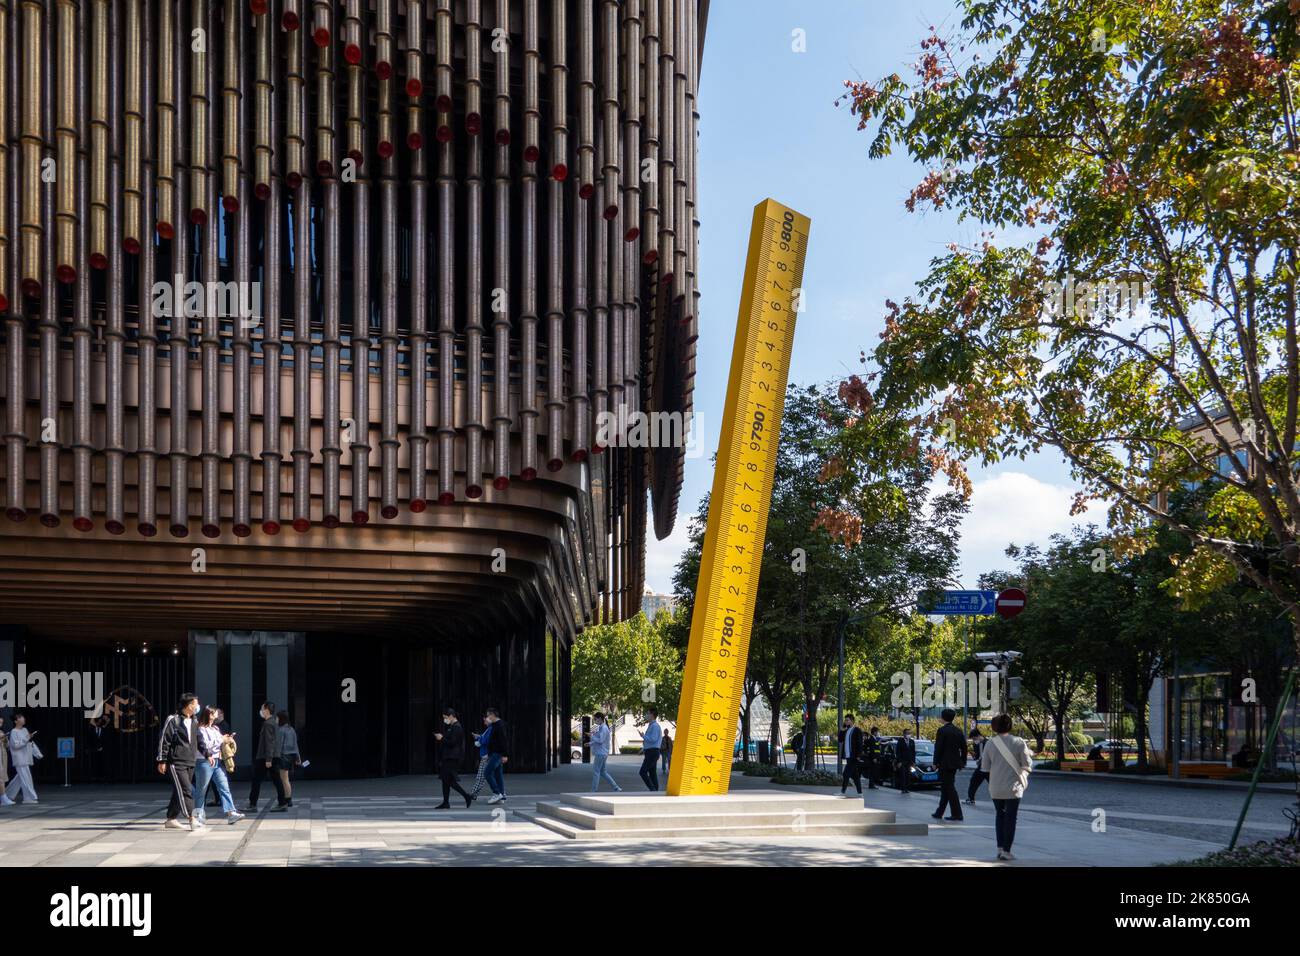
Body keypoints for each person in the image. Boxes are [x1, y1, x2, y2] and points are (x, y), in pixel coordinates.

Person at [981, 713, 1033, 861]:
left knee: (999, 816)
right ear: (1010, 725)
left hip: (996, 787)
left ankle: (999, 848)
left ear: (994, 726)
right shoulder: (1018, 741)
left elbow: (985, 767)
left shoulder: (990, 743)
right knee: (1011, 818)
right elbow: (1027, 764)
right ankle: (1007, 850)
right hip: (1013, 786)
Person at [193, 706, 244, 825]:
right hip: (204, 761)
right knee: (202, 789)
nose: (217, 714)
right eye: (215, 712)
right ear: (210, 714)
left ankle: (231, 813)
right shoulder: (200, 729)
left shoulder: (215, 728)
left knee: (224, 787)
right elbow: (204, 745)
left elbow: (219, 742)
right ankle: (198, 815)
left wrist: (227, 739)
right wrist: (221, 739)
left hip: (217, 761)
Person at [156, 694, 200, 829]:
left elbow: (199, 741)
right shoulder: (173, 720)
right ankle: (192, 817)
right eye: (195, 704)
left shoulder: (195, 721)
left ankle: (171, 818)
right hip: (176, 761)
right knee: (186, 789)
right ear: (187, 705)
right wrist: (162, 760)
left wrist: (207, 754)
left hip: (191, 761)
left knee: (179, 790)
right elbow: (165, 740)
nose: (197, 706)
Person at [247, 701, 284, 811]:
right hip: (273, 756)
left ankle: (253, 804)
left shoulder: (268, 723)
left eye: (262, 709)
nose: (261, 711)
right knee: (277, 780)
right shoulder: (274, 723)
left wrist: (268, 759)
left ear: (267, 710)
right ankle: (282, 802)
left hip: (265, 757)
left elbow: (269, 742)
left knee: (256, 780)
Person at [433, 707, 473, 809]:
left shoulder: (457, 727)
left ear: (451, 716)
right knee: (445, 780)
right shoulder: (452, 727)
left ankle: (466, 796)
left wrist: (441, 738)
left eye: (445, 717)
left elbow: (452, 743)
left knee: (449, 781)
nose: (444, 720)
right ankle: (446, 802)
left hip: (453, 758)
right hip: (449, 757)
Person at [931, 708, 967, 821]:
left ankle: (957, 814)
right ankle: (939, 812)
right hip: (954, 764)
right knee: (946, 787)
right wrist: (963, 761)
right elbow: (964, 748)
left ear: (943, 718)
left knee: (949, 788)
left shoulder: (942, 731)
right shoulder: (958, 730)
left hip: (944, 764)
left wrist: (935, 763)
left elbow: (938, 748)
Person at [4, 713, 40, 805]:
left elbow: (29, 742)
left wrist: (37, 753)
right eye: (20, 718)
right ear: (16, 721)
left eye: (23, 717)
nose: (23, 719)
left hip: (26, 757)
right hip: (19, 758)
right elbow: (15, 745)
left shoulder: (24, 730)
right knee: (26, 778)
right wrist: (26, 739)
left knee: (20, 778)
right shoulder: (14, 732)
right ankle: (28, 798)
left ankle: (8, 795)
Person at [270, 711, 301, 811]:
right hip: (291, 756)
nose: (276, 720)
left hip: (283, 756)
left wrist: (273, 757)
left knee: (283, 779)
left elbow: (279, 745)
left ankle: (287, 799)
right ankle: (289, 799)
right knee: (286, 779)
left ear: (281, 718)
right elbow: (295, 744)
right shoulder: (291, 729)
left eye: (277, 718)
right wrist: (298, 757)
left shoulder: (281, 730)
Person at [587, 713, 623, 793]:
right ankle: (616, 788)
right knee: (603, 772)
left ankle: (593, 790)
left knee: (596, 772)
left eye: (595, 719)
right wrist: (590, 743)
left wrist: (591, 736)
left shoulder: (603, 728)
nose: (594, 721)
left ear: (600, 718)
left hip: (601, 753)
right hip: (603, 753)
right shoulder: (602, 727)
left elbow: (600, 740)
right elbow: (600, 740)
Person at [839, 714, 864, 796]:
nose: (846, 722)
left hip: (854, 756)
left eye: (847, 720)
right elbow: (840, 740)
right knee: (855, 775)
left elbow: (860, 743)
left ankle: (843, 791)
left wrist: (859, 755)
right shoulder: (846, 730)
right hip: (848, 756)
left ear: (852, 721)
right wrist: (842, 730)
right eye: (845, 720)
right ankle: (860, 793)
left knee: (846, 773)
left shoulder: (857, 730)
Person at [639, 708, 663, 790]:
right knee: (652, 772)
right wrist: (644, 748)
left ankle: (652, 788)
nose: (646, 715)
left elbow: (653, 739)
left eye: (647, 713)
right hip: (651, 751)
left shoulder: (655, 726)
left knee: (643, 771)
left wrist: (643, 736)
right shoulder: (652, 725)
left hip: (652, 752)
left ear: (652, 715)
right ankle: (655, 790)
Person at [965, 728, 989, 805]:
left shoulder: (988, 743)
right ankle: (971, 799)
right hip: (980, 767)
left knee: (993, 785)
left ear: (979, 736)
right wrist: (974, 755)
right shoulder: (975, 744)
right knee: (973, 781)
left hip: (989, 768)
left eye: (974, 738)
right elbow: (977, 756)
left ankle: (1002, 802)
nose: (974, 740)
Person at [894, 727, 916, 794]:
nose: (909, 734)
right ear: (904, 734)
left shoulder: (912, 741)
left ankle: (907, 788)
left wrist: (913, 762)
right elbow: (898, 752)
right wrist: (899, 761)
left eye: (909, 733)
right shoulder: (900, 741)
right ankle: (903, 789)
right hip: (902, 761)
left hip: (909, 761)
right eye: (907, 733)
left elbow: (913, 752)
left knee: (908, 775)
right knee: (903, 775)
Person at [0, 716, 10, 805]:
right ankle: (3, 798)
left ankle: (3, 797)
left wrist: (5, 739)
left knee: (2, 777)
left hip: (2, 755)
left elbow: (7, 745)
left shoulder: (1, 732)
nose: (0, 724)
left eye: (1, 723)